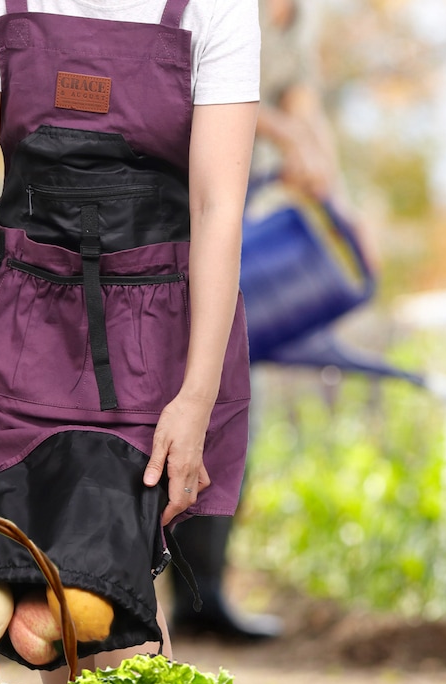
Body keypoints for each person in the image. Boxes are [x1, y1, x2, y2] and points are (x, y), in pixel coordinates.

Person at [0, 0, 260, 684]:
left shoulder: (216, 8)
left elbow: (217, 207)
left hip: (155, 328)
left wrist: (197, 397)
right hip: (20, 322)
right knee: (43, 592)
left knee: (110, 587)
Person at [169, 0, 352, 641]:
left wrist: (338, 202)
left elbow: (305, 111)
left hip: (234, 215)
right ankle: (120, 584)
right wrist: (283, 135)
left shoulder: (295, 20)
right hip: (173, 200)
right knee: (164, 389)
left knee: (234, 399)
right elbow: (188, 85)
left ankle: (202, 596)